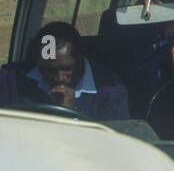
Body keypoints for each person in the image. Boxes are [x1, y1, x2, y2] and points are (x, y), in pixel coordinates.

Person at [0, 22, 129, 121]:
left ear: (81, 55)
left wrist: (73, 112)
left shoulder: (109, 90)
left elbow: (114, 141)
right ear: (37, 61)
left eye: (67, 69)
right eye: (47, 70)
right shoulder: (11, 79)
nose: (59, 77)